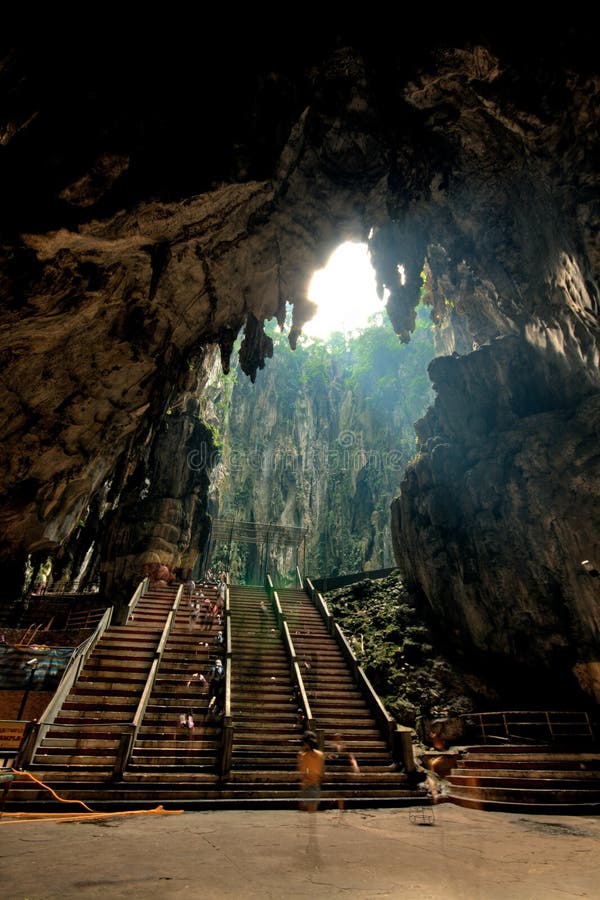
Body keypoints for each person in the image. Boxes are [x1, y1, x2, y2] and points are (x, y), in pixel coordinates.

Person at [328, 733, 360, 812]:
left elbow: (351, 757)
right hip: (336, 770)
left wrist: (355, 766)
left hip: (343, 770)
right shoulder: (333, 747)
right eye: (335, 738)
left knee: (341, 789)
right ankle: (338, 803)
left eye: (338, 738)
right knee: (337, 789)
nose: (337, 739)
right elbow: (329, 756)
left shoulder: (346, 748)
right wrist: (331, 757)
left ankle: (339, 805)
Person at [297, 730, 325, 813]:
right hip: (316, 784)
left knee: (304, 812)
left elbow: (302, 772)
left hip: (307, 785)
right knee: (312, 812)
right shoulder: (320, 754)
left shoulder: (303, 756)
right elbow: (322, 772)